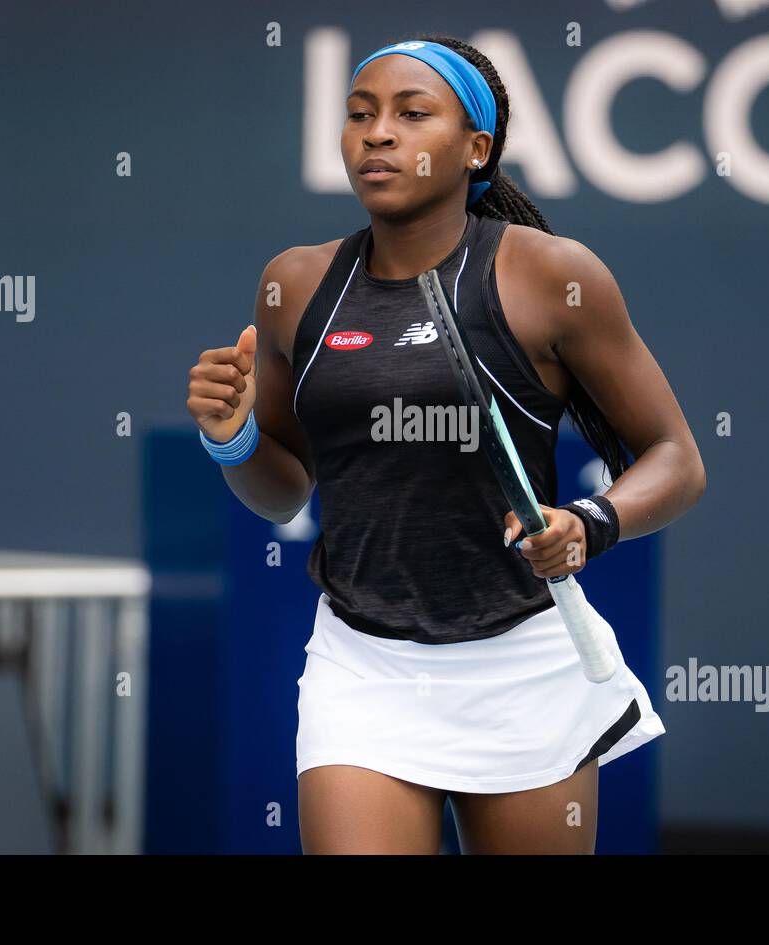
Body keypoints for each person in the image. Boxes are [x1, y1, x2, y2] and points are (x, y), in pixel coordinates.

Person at [186, 34, 705, 854]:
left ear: (477, 148)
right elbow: (284, 490)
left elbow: (677, 459)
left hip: (525, 664)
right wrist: (234, 436)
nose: (377, 134)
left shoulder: (554, 278)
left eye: (411, 113)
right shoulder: (294, 284)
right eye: (359, 115)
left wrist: (588, 522)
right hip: (362, 668)